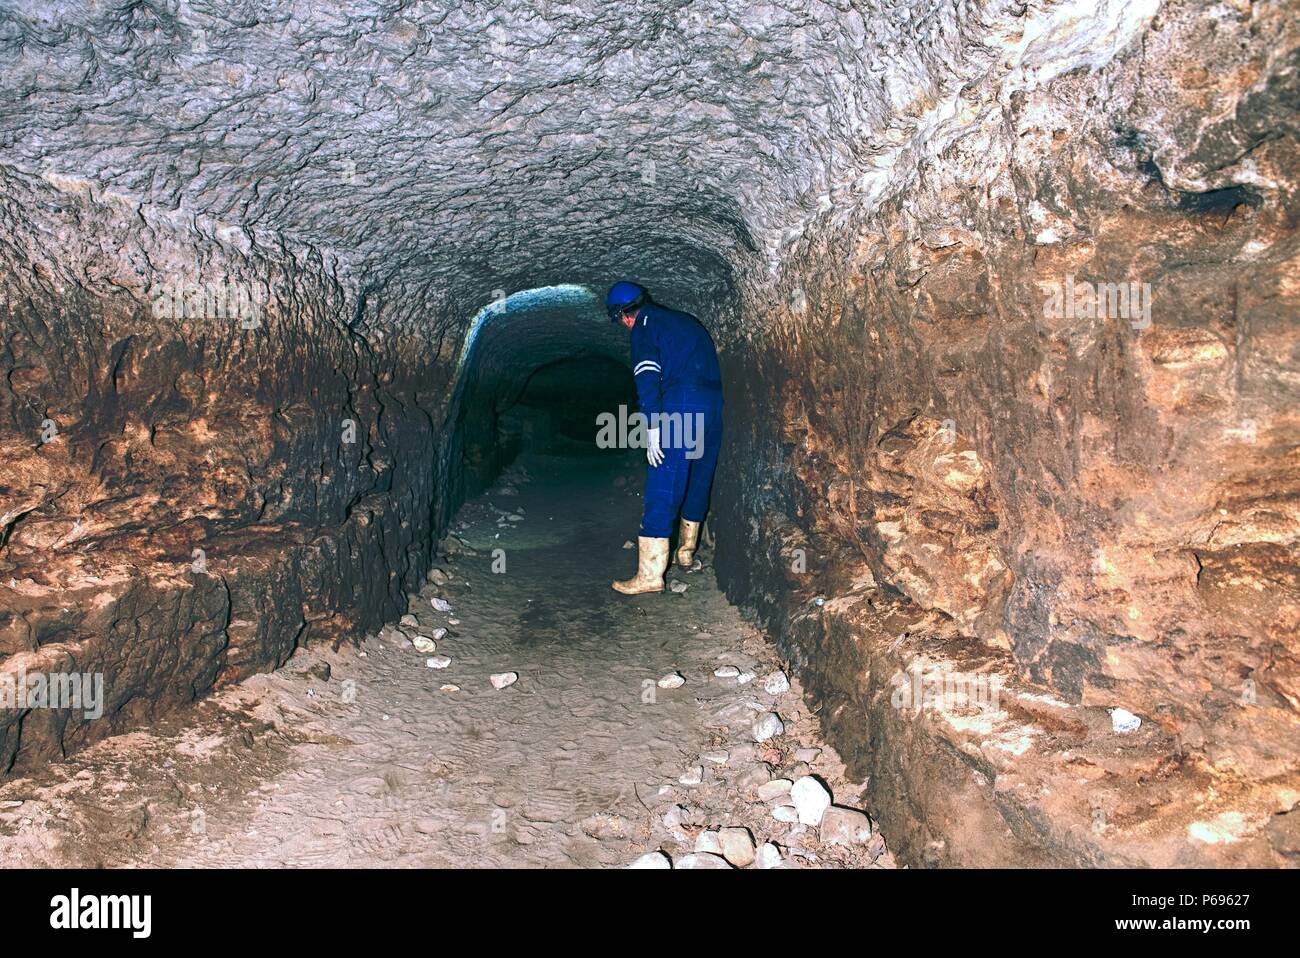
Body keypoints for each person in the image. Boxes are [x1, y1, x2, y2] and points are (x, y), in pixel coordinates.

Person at [606, 282, 724, 595]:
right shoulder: (686, 321)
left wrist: (653, 425)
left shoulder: (645, 326)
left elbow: (647, 374)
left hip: (682, 402)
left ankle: (650, 574)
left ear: (623, 316)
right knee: (699, 476)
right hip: (713, 405)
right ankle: (685, 553)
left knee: (665, 480)